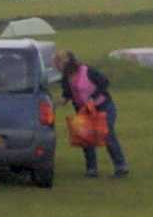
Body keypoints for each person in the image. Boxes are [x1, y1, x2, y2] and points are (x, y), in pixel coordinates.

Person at [53, 50, 129, 178]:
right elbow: (67, 95)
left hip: (103, 107)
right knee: (85, 139)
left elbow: (104, 82)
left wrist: (93, 97)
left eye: (58, 63)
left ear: (66, 62)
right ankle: (91, 169)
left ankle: (121, 166)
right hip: (83, 111)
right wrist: (55, 104)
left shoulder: (87, 70)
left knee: (107, 134)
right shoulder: (66, 78)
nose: (57, 67)